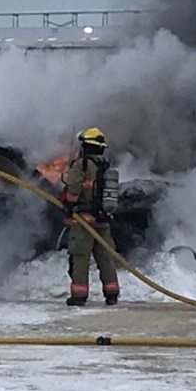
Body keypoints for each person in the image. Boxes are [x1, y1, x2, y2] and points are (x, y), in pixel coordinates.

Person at [61, 127, 120, 306]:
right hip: (102, 220)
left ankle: (79, 296)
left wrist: (68, 205)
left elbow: (73, 188)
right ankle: (112, 294)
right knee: (106, 257)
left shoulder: (82, 164)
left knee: (80, 257)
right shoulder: (105, 165)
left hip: (83, 221)